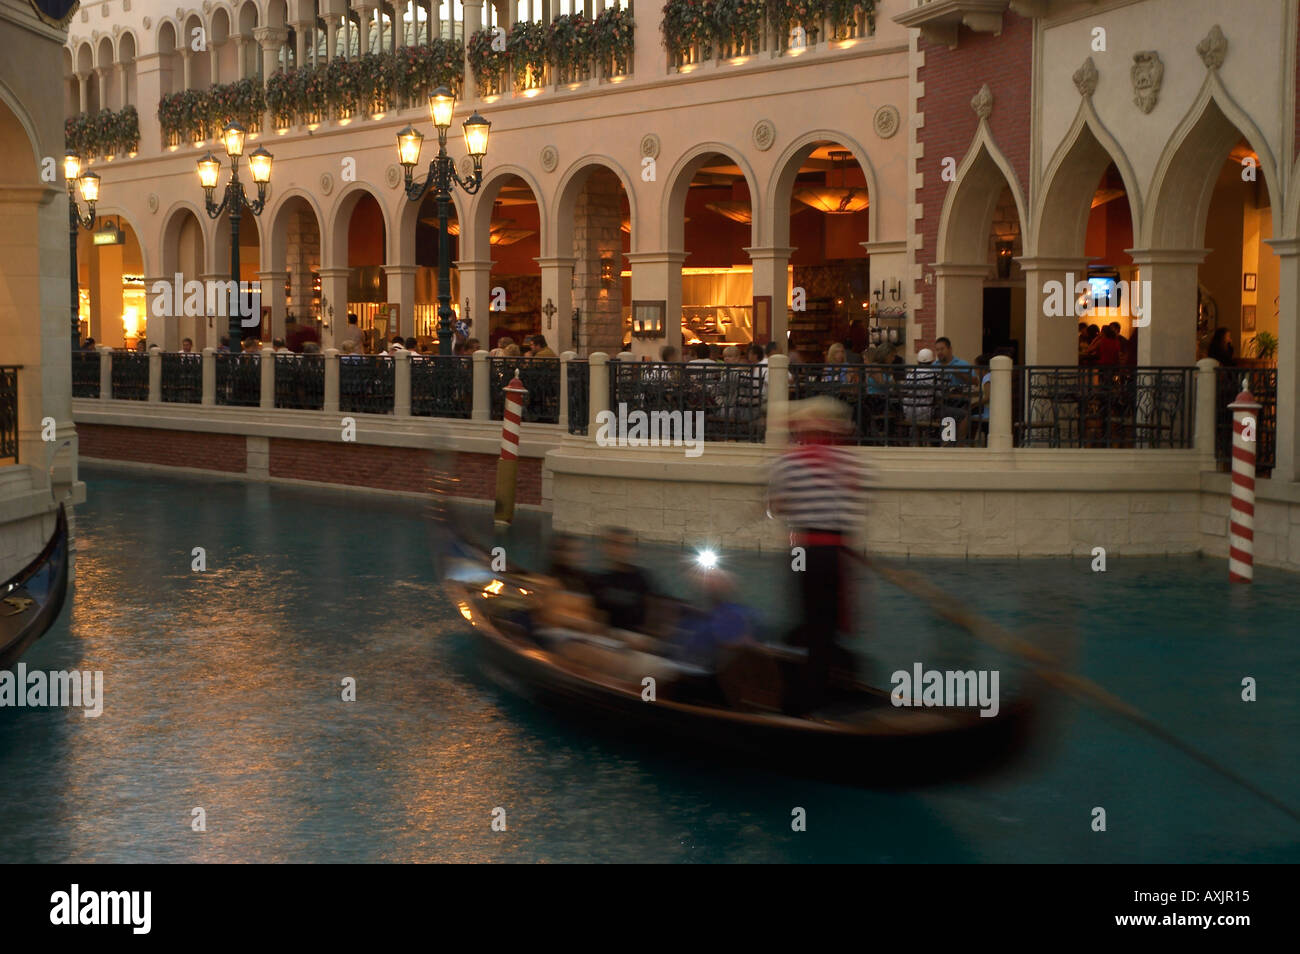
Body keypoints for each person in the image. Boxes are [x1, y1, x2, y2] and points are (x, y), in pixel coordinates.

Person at [767, 396, 871, 714]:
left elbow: (777, 506)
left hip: (805, 552)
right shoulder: (848, 461)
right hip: (836, 553)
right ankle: (823, 684)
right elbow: (855, 507)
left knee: (810, 623)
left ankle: (806, 701)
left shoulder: (788, 461)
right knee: (826, 625)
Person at [672, 570, 755, 672]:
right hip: (686, 662)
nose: (708, 584)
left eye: (714, 582)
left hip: (701, 668)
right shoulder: (701, 614)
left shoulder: (733, 614)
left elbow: (735, 646)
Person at [588, 528, 655, 632]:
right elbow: (597, 618)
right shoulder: (599, 580)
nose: (620, 550)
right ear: (605, 547)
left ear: (633, 549)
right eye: (615, 544)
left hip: (636, 638)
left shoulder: (643, 578)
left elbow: (652, 616)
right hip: (607, 638)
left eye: (626, 545)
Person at [901, 347, 941, 426]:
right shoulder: (934, 374)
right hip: (927, 413)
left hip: (908, 412)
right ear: (932, 361)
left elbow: (904, 392)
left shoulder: (910, 374)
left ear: (917, 361)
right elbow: (939, 395)